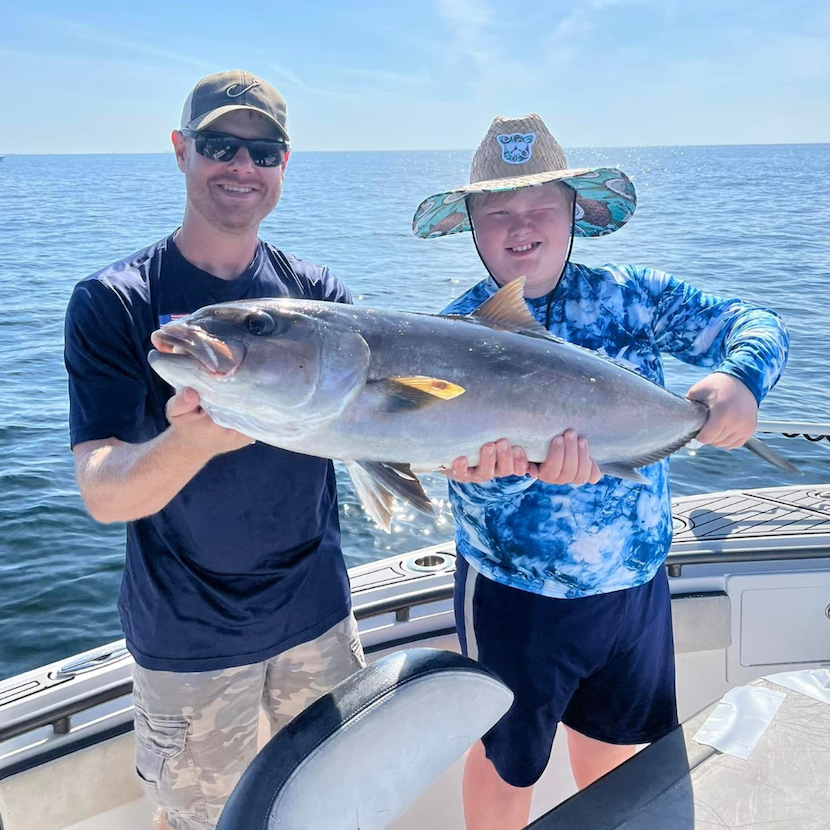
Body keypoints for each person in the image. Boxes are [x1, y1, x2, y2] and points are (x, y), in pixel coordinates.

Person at [411, 113, 790, 830]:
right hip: (515, 599)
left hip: (635, 588)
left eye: (539, 206)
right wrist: (512, 476)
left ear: (574, 212)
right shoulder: (450, 338)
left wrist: (742, 379)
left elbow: (755, 320)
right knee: (503, 763)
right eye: (497, 213)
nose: (520, 226)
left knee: (622, 763)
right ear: (471, 226)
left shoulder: (631, 297)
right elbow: (462, 474)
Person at [64, 71, 365, 830]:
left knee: (337, 806)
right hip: (190, 639)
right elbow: (104, 494)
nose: (242, 166)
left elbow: (384, 431)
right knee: (203, 821)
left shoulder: (318, 296)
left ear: (284, 166)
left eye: (262, 151)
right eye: (220, 145)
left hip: (320, 616)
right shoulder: (115, 303)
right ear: (180, 151)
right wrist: (194, 440)